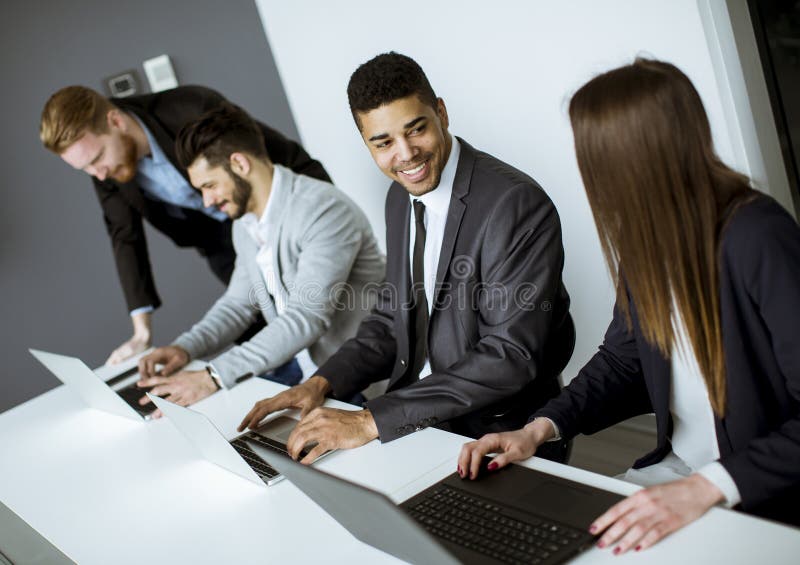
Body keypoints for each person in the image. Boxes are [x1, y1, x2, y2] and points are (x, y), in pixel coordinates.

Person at [458, 58, 800, 552]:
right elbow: (625, 361)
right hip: (681, 473)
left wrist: (707, 488)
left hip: (757, 498)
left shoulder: (758, 235)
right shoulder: (648, 246)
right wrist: (538, 429)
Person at [238, 52, 575, 464]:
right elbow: (388, 321)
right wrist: (322, 383)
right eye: (383, 143)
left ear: (441, 113)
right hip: (417, 422)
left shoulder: (515, 203)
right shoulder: (399, 198)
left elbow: (508, 356)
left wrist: (369, 422)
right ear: (366, 143)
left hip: (496, 433)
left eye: (416, 130)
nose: (406, 154)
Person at [40, 85, 331, 364]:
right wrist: (142, 332)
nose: (99, 175)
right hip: (220, 243)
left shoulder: (190, 109)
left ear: (115, 121)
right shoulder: (105, 169)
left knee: (316, 316)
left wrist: (322, 218)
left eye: (97, 159)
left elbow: (275, 157)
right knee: (252, 330)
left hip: (277, 217)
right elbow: (124, 236)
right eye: (86, 170)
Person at [134, 102, 385, 413]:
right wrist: (184, 348)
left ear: (239, 164)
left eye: (209, 185)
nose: (207, 201)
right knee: (198, 419)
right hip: (300, 368)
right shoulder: (246, 223)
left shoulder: (321, 210)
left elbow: (306, 318)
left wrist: (213, 375)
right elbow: (238, 304)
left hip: (356, 382)